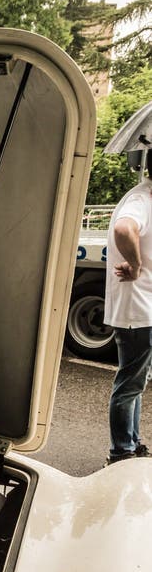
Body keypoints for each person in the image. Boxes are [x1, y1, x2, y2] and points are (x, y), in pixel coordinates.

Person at [104, 151, 152, 465]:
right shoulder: (142, 200)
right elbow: (124, 229)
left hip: (140, 309)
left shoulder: (144, 197)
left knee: (135, 381)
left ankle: (131, 445)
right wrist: (134, 265)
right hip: (137, 310)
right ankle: (121, 452)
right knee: (130, 383)